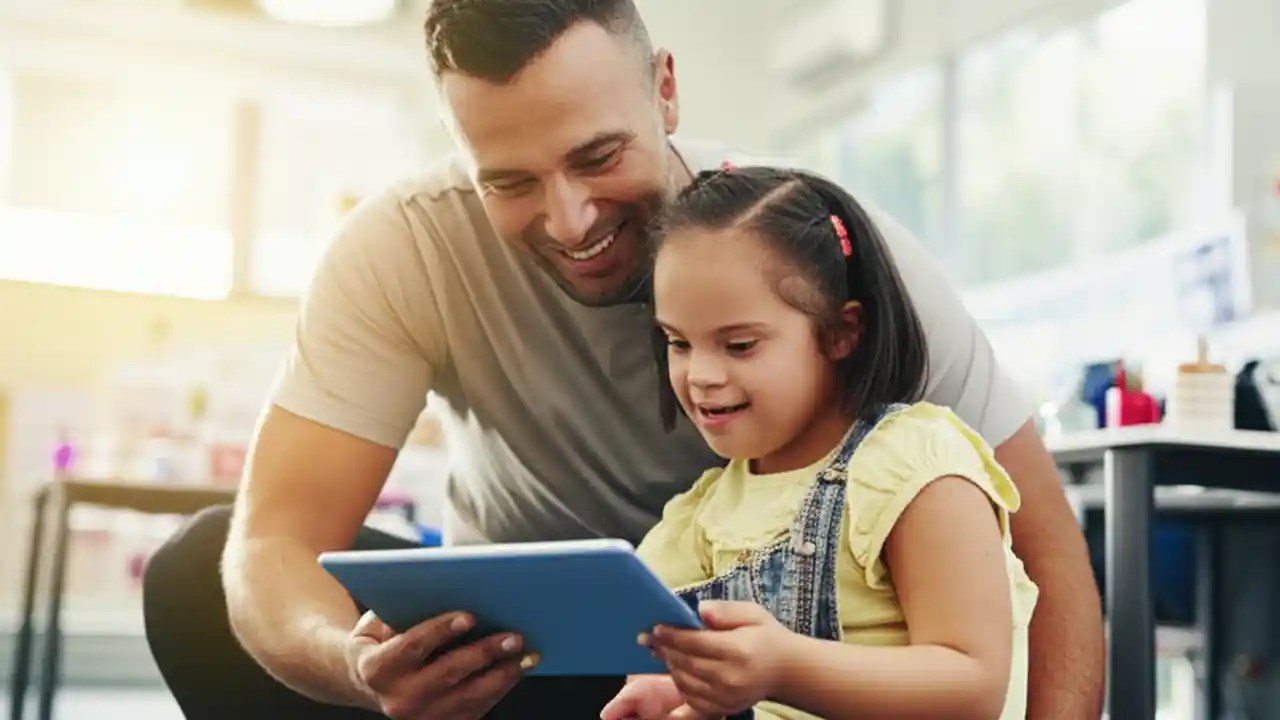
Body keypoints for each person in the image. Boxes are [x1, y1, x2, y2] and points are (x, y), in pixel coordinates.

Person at [140, 1, 1103, 719]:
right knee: (196, 571)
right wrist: (357, 668)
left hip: (778, 681)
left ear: (667, 91)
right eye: (511, 181)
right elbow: (272, 545)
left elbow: (1047, 559)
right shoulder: (406, 246)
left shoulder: (823, 252)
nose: (570, 221)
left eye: (599, 157)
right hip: (518, 671)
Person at [599, 165, 1038, 720]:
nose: (700, 375)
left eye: (738, 345)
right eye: (678, 343)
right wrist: (673, 693)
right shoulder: (704, 516)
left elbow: (973, 686)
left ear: (840, 333)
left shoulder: (913, 466)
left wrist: (784, 668)